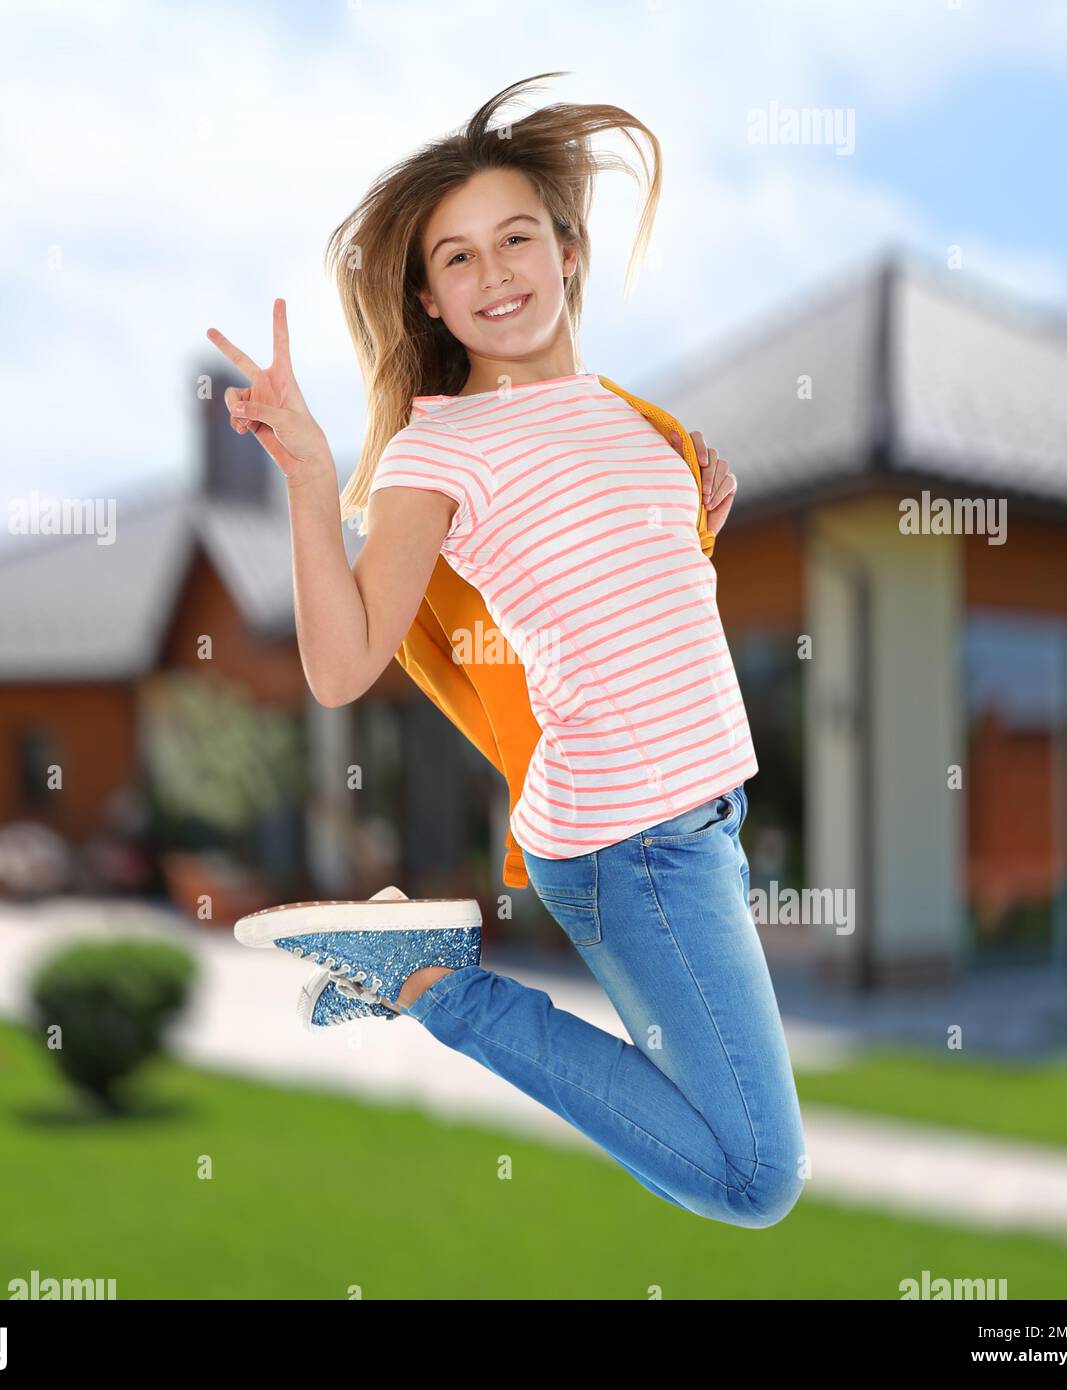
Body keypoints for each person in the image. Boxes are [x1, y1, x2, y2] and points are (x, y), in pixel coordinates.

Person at [206, 73, 806, 1228]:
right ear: (427, 301)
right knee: (753, 1176)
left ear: (568, 249)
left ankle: (421, 973)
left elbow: (631, 582)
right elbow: (340, 667)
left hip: (704, 823)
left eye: (516, 238)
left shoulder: (632, 416)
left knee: (735, 1141)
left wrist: (699, 498)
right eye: (459, 260)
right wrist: (313, 476)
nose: (497, 275)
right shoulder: (438, 452)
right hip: (628, 842)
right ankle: (431, 979)